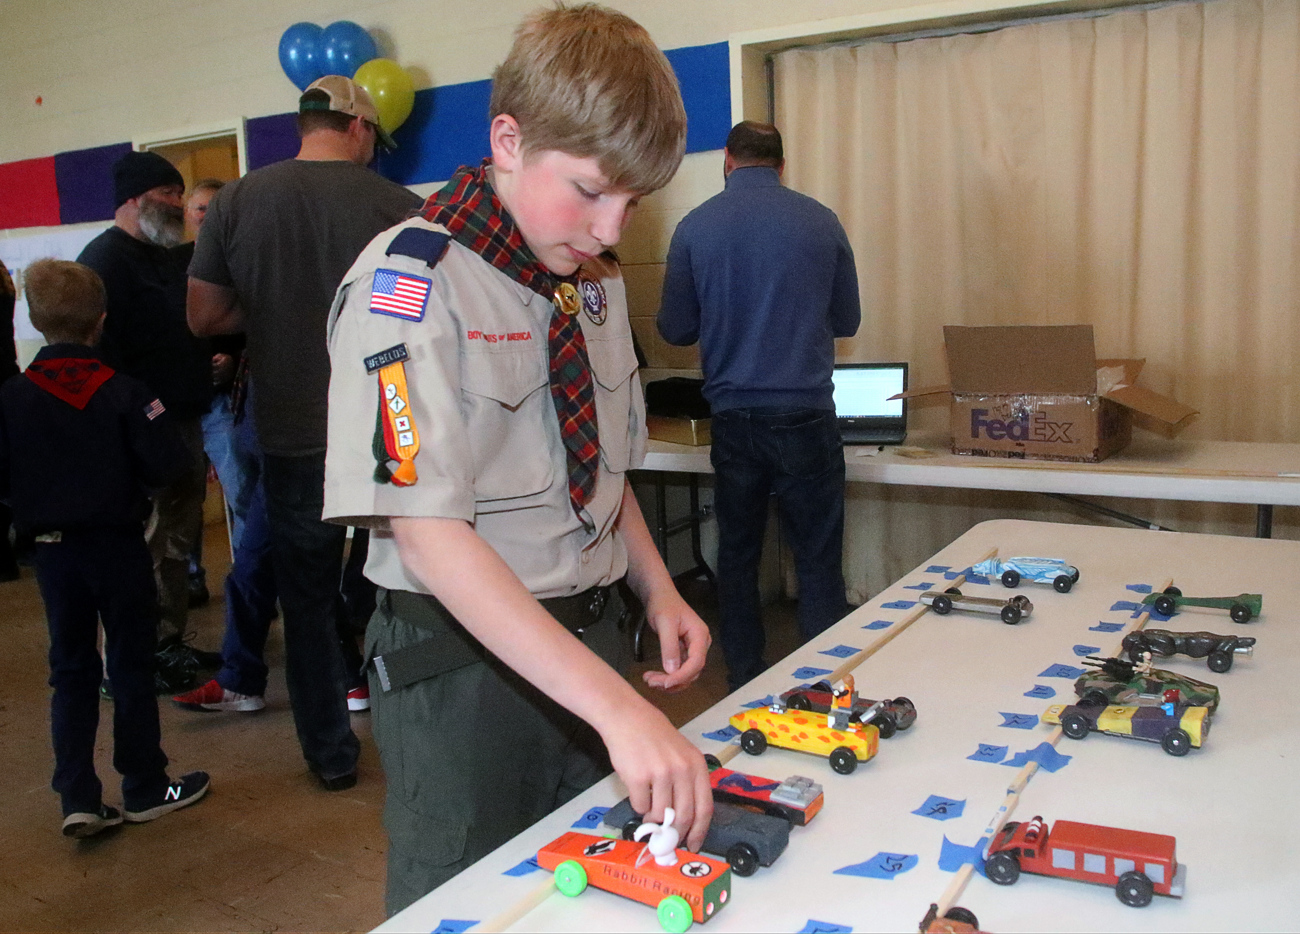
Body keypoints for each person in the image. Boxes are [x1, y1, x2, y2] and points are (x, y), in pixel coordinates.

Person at [321, 4, 713, 914]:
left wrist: (656, 587)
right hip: (460, 668)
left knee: (591, 891)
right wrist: (620, 710)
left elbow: (600, 465)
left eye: (634, 203)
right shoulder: (409, 287)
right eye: (588, 190)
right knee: (464, 900)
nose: (611, 230)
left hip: (593, 635)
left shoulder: (593, 282)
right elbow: (425, 532)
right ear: (508, 139)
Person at [187, 75, 422, 789]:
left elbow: (203, 318)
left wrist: (271, 312)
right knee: (413, 579)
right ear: (357, 129)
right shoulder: (400, 207)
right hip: (387, 429)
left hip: (290, 430)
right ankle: (420, 728)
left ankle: (330, 755)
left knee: (306, 596)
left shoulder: (236, 201)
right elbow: (420, 319)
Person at [0, 259, 209, 837]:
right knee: (130, 664)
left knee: (69, 668)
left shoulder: (12, 396)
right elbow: (168, 464)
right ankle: (144, 783)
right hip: (117, 546)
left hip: (52, 554)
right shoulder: (125, 392)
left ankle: (78, 795)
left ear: (34, 319)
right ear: (101, 319)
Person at [657, 121, 861, 691]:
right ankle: (826, 685)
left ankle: (744, 679)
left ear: (727, 160)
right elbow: (848, 321)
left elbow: (675, 328)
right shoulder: (821, 221)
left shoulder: (695, 227)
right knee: (818, 559)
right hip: (807, 416)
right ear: (781, 163)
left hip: (734, 420)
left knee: (739, 558)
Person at [77, 151, 216, 686]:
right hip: (140, 430)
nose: (179, 204)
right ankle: (128, 661)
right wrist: (138, 422)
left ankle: (167, 642)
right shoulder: (102, 263)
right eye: (168, 194)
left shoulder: (166, 257)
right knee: (145, 547)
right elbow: (102, 359)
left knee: (178, 542)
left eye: (181, 194)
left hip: (182, 418)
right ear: (134, 199)